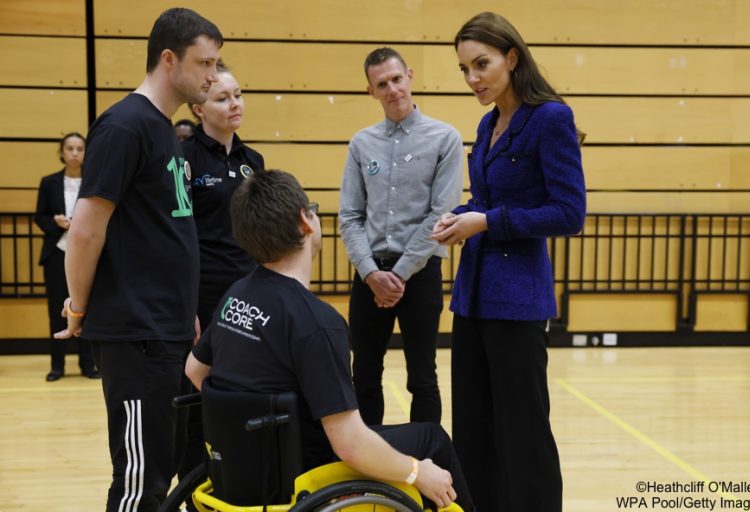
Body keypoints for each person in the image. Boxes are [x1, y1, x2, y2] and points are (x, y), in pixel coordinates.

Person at [186, 170, 474, 511]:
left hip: (243, 466)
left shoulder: (236, 295)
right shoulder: (316, 323)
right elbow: (349, 444)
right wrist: (416, 472)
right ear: (306, 223)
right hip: (303, 470)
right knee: (431, 438)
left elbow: (195, 369)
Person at [54, 8, 223, 511]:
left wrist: (182, 311)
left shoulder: (162, 128)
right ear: (168, 59)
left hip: (165, 328)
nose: (213, 75)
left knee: (161, 469)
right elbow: (85, 229)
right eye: (205, 63)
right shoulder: (125, 125)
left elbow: (158, 233)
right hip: (137, 333)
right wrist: (80, 308)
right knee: (139, 481)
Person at [431, 12, 586, 512]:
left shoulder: (551, 119)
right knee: (473, 428)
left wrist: (486, 222)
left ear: (511, 58)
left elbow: (568, 213)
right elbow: (486, 200)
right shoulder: (486, 122)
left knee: (523, 431)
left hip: (518, 300)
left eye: (481, 64)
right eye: (464, 69)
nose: (473, 78)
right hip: (472, 297)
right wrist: (460, 217)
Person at [339, 47, 463, 426]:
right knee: (364, 376)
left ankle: (428, 466)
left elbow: (440, 215)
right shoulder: (362, 144)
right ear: (370, 91)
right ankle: (367, 462)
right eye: (381, 84)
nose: (392, 89)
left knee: (422, 378)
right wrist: (371, 273)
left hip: (421, 275)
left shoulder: (445, 139)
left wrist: (401, 274)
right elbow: (350, 215)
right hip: (369, 275)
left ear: (409, 76)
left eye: (396, 79)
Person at [177, 62, 265, 490]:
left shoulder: (253, 161)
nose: (234, 104)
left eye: (238, 94)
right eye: (222, 98)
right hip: (201, 298)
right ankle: (195, 488)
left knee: (242, 393)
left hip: (247, 298)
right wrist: (188, 305)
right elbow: (179, 237)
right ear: (198, 109)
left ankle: (241, 482)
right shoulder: (185, 159)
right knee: (197, 396)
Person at [34, 132, 99, 382]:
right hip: (56, 253)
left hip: (86, 254)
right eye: (69, 148)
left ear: (85, 152)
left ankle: (88, 363)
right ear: (61, 152)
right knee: (55, 310)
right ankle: (57, 365)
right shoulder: (49, 182)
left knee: (86, 308)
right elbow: (39, 216)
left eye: (79, 148)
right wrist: (55, 222)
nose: (74, 153)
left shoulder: (93, 181)